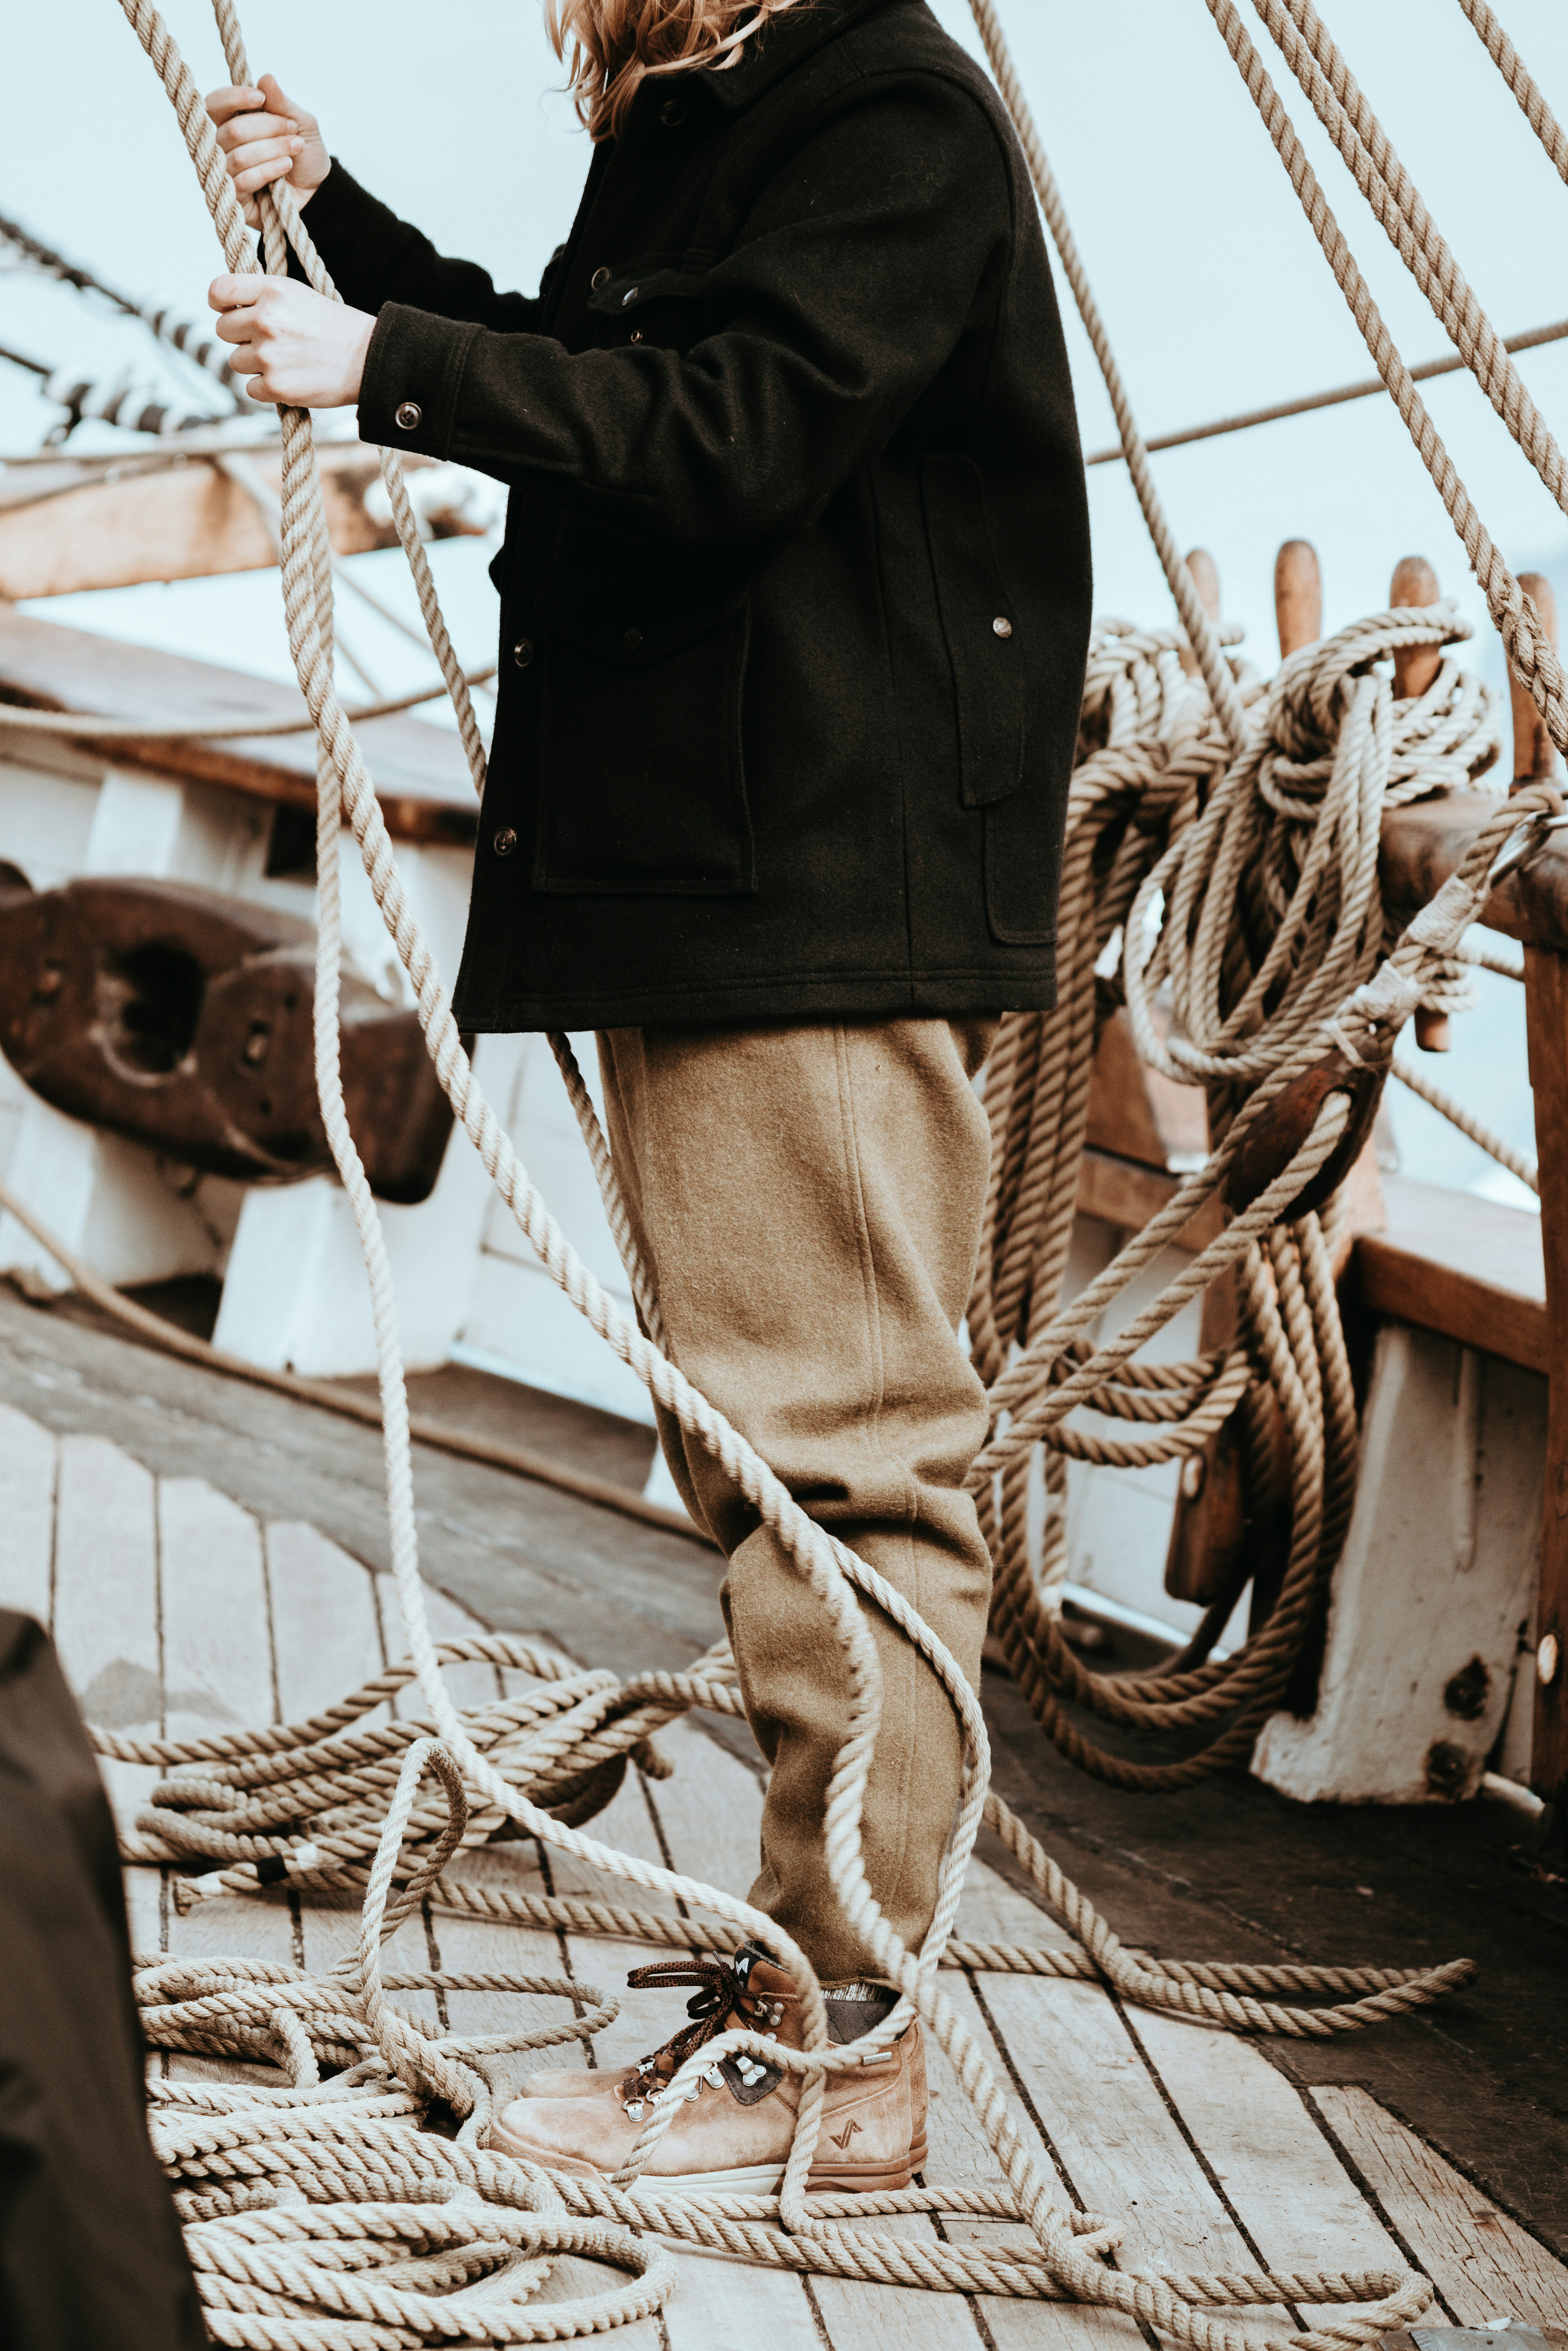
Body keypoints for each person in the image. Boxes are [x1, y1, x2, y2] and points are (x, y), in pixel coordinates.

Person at [205, 0, 1090, 2196]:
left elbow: (733, 429)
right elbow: (598, 371)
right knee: (767, 1448)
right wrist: (341, 232)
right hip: (704, 872)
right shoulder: (720, 110)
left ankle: (842, 2055)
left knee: (835, 1459)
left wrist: (383, 374)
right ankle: (810, 1996)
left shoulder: (889, 109)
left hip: (806, 885)